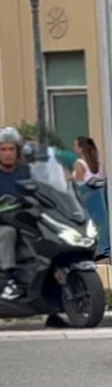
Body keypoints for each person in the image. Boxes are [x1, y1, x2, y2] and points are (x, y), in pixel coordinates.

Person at [0, 127, 31, 301]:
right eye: (3, 149)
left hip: (25, 221)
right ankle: (10, 280)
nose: (8, 153)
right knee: (7, 234)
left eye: (11, 149)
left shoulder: (25, 172)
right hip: (3, 224)